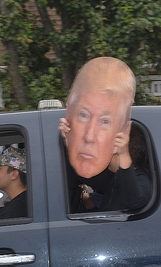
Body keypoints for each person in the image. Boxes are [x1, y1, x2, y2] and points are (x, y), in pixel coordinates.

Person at [59, 57, 151, 213]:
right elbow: (86, 177)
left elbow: (134, 200)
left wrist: (124, 155)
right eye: (83, 115)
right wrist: (70, 143)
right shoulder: (114, 179)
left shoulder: (141, 181)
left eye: (105, 121)